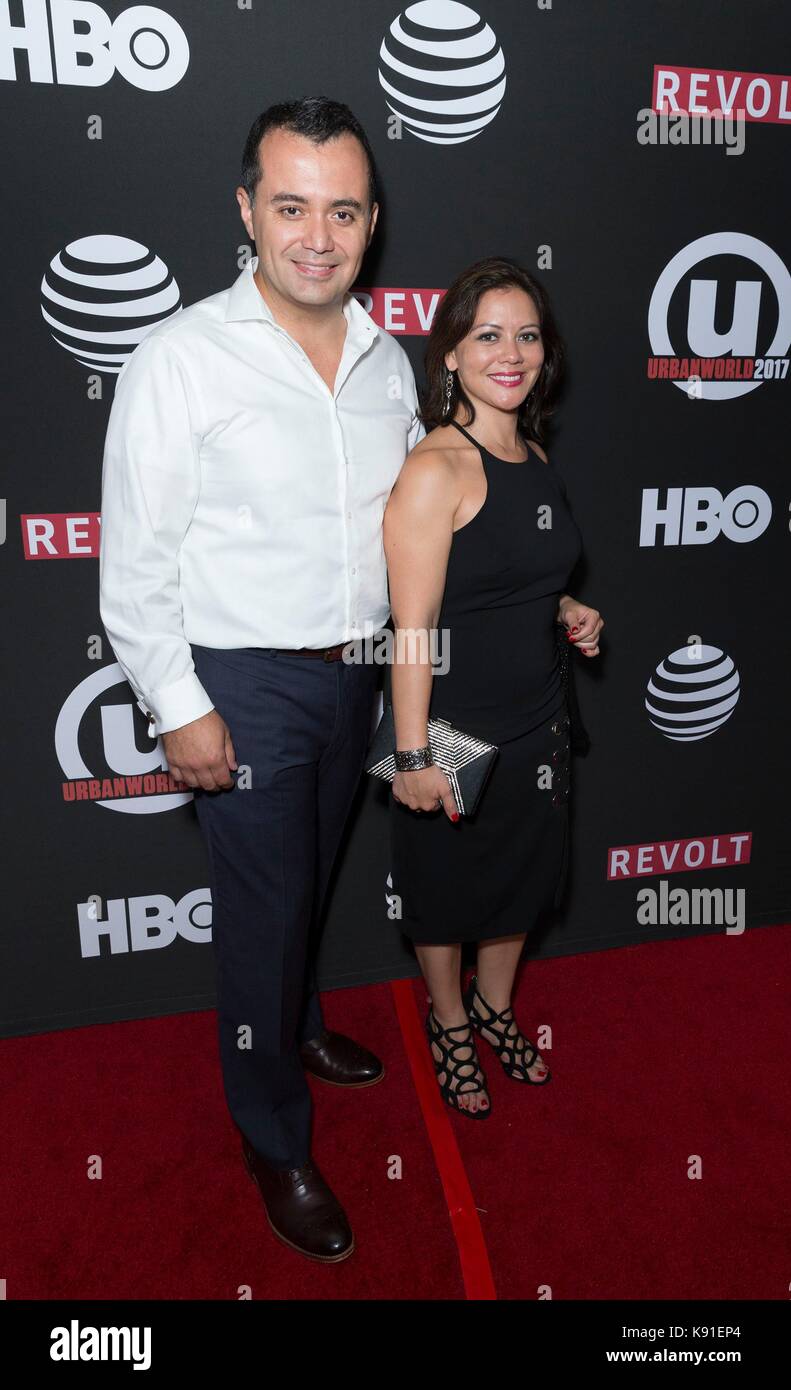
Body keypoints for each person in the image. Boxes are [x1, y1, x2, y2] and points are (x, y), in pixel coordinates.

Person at [98, 97, 425, 1262]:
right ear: (247, 210)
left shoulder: (392, 360)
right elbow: (133, 556)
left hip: (357, 680)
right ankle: (272, 1133)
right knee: (263, 914)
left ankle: (294, 1026)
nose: (317, 236)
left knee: (315, 877)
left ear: (370, 221)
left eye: (341, 210)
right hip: (240, 680)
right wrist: (180, 706)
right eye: (291, 207)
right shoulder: (180, 356)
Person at [384, 257, 603, 1118]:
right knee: (445, 898)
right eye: (487, 336)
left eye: (526, 335)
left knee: (519, 885)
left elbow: (515, 575)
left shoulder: (534, 451)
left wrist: (565, 608)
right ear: (448, 355)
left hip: (539, 723)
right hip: (453, 730)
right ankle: (447, 1022)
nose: (509, 353)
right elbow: (411, 628)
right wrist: (410, 752)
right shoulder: (434, 470)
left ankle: (493, 1008)